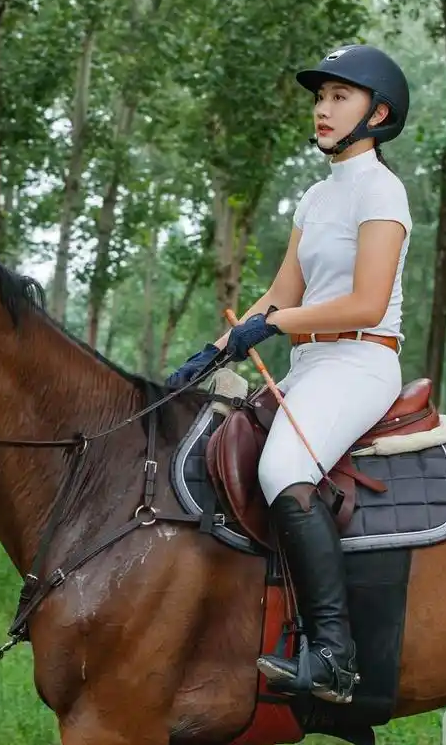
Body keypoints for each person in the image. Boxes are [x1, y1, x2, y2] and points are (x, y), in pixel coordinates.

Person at [165, 44, 412, 705]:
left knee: (282, 471)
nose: (322, 108)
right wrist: (213, 351)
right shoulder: (317, 196)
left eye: (339, 97)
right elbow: (278, 293)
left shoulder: (382, 190)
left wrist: (272, 325)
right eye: (319, 96)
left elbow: (364, 300)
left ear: (378, 112)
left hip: (361, 360)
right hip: (308, 365)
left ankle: (333, 655)